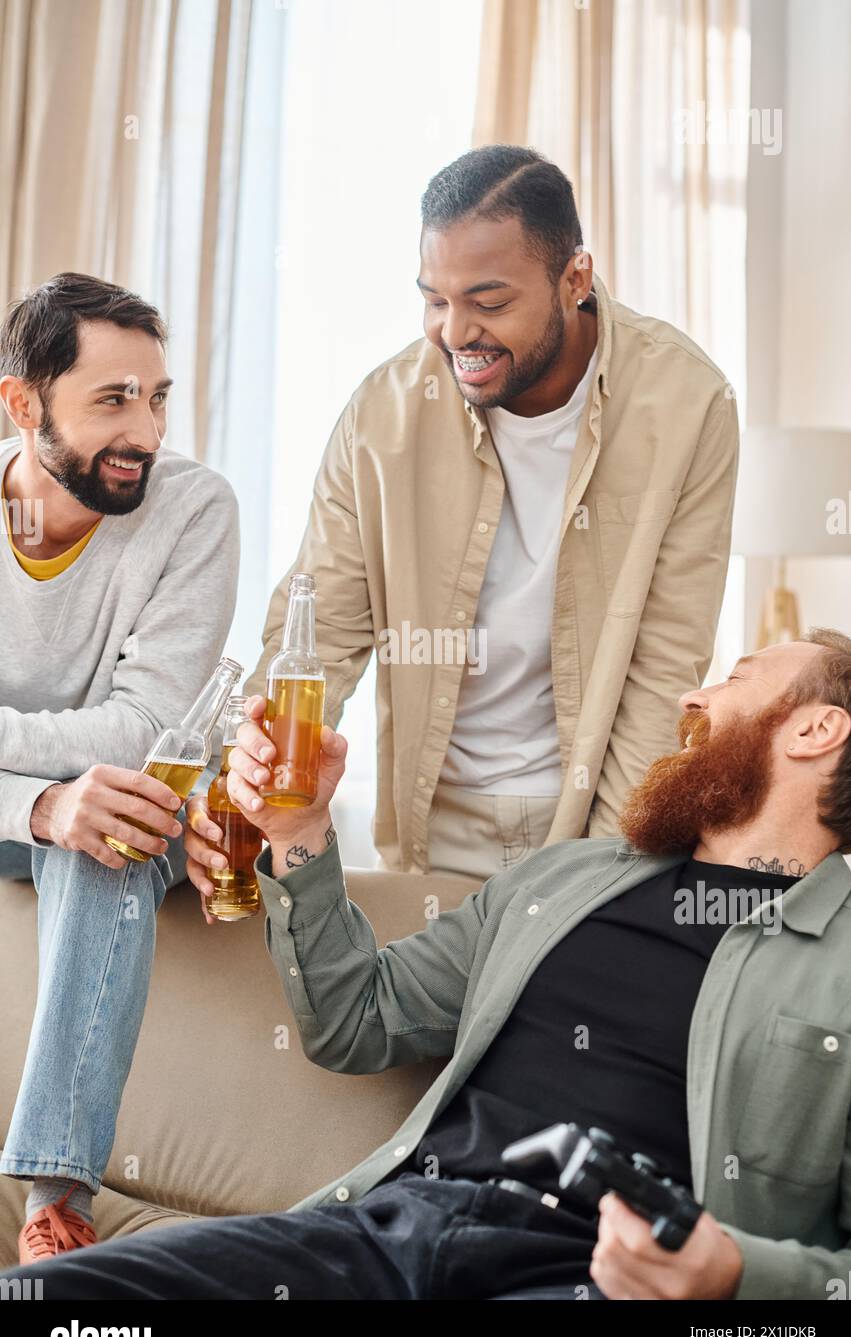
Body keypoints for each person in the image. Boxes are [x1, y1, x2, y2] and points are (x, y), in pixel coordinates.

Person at [12, 626, 851, 1299]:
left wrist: (736, 1279)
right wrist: (301, 835)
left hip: (590, 1278)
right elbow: (357, 1021)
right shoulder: (560, 879)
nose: (694, 694)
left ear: (815, 729)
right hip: (387, 1233)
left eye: (736, 677)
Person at [243, 144, 739, 882]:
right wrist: (251, 777)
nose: (455, 333)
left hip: (592, 820)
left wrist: (599, 873)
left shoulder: (688, 402)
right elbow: (320, 635)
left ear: (576, 278)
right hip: (432, 826)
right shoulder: (383, 417)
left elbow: (664, 665)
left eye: (490, 302)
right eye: (435, 300)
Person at [0, 273, 240, 1262]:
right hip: (21, 808)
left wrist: (69, 805)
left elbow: (146, 731)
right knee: (85, 809)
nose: (143, 429)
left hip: (150, 804)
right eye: (112, 399)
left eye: (157, 396)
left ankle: (55, 1192)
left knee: (115, 820)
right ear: (21, 404)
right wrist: (39, 799)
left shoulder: (191, 510)